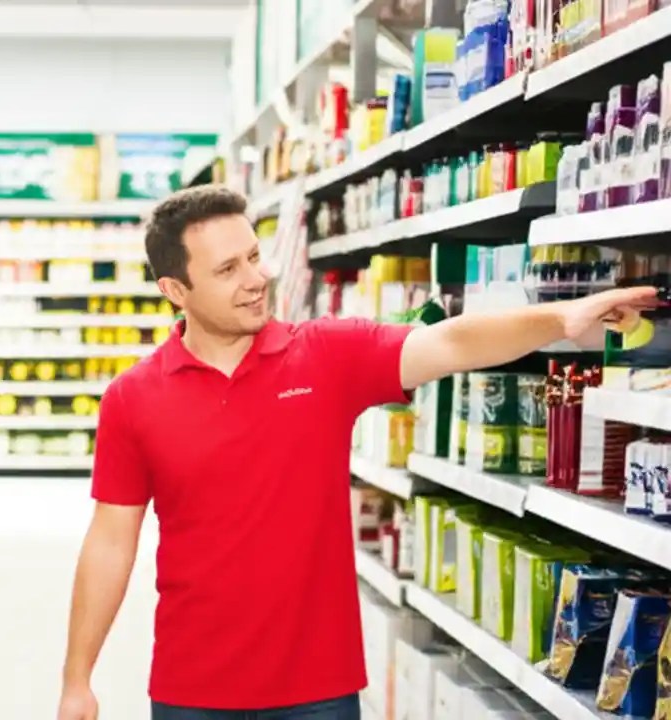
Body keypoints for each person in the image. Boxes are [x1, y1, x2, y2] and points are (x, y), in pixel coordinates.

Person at [55, 185, 656, 720]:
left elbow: (448, 342)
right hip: (192, 689)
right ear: (174, 290)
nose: (256, 278)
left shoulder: (325, 356)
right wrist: (77, 679)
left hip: (318, 687)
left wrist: (564, 316)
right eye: (228, 269)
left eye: (256, 256)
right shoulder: (132, 399)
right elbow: (111, 541)